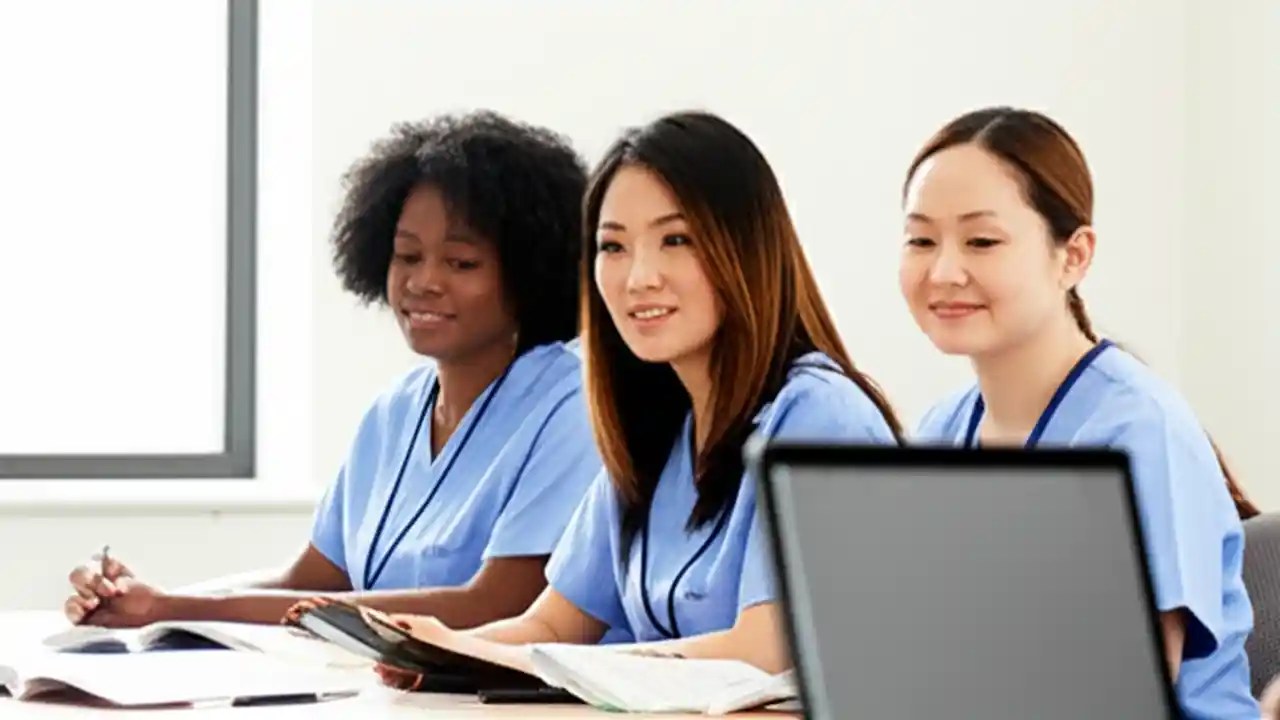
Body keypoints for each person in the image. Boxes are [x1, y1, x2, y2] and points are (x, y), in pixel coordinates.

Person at [353, 110, 902, 688]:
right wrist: (435, 650)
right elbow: (555, 624)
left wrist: (531, 664)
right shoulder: (654, 432)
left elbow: (762, 652)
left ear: (747, 248)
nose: (639, 277)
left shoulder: (819, 413)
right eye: (612, 247)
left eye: (676, 240)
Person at [62, 111, 603, 629]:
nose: (423, 282)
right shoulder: (394, 412)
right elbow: (310, 582)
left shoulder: (574, 407)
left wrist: (178, 607)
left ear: (533, 272)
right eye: (407, 256)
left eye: (461, 264)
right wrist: (150, 600)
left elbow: (498, 606)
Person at [901, 106, 1258, 719]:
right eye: (921, 240)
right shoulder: (940, 429)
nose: (944, 270)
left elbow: (1120, 692)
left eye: (981, 241)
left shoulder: (1140, 430)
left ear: (1074, 256)